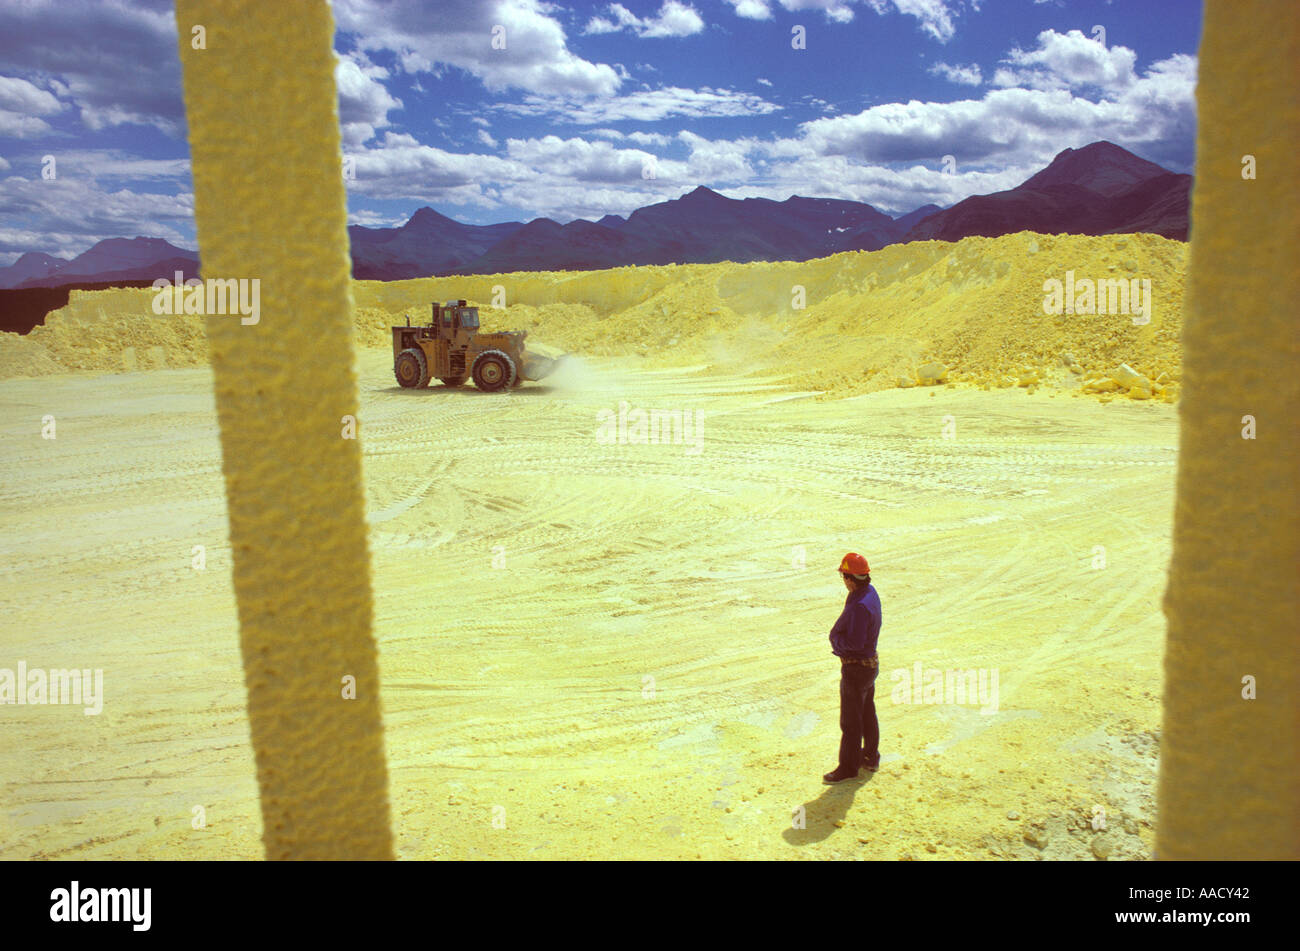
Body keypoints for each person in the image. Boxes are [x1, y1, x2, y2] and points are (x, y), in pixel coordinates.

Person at [823, 552, 882, 784]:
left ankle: (848, 767)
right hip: (869, 665)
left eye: (844, 577)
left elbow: (854, 644)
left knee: (850, 721)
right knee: (867, 712)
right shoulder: (870, 593)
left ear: (849, 578)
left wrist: (836, 644)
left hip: (856, 669)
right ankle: (870, 756)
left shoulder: (858, 604)